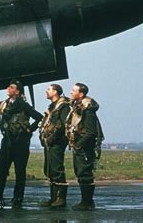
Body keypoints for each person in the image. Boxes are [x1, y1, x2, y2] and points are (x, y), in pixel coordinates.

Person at [0, 80, 43, 209]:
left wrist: (29, 130)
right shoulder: (4, 104)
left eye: (11, 87)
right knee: (0, 168)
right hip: (7, 141)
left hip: (21, 142)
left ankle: (17, 198)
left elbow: (39, 117)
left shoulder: (24, 106)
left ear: (17, 91)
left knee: (19, 171)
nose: (8, 88)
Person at [66, 82, 101, 211]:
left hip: (85, 148)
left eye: (73, 90)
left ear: (80, 94)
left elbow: (91, 132)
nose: (70, 92)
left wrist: (79, 145)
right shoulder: (78, 107)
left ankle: (87, 203)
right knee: (80, 173)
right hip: (80, 146)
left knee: (85, 174)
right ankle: (85, 201)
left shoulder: (88, 110)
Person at [39, 84, 70, 208]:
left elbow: (63, 125)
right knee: (50, 170)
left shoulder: (63, 107)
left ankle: (60, 198)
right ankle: (53, 198)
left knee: (57, 170)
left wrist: (53, 138)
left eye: (49, 89)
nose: (46, 91)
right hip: (49, 143)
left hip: (57, 143)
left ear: (56, 92)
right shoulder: (52, 107)